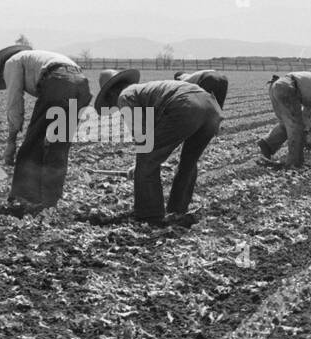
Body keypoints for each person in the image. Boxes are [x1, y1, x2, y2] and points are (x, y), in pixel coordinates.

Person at [89, 69, 224, 227]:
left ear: (112, 94)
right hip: (212, 109)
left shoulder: (124, 96)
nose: (115, 108)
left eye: (110, 103)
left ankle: (150, 216)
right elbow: (158, 132)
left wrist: (142, 165)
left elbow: (143, 137)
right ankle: (177, 212)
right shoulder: (145, 90)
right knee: (188, 162)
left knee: (146, 163)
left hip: (186, 106)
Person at [0, 44, 92, 215]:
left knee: (32, 145)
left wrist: (11, 143)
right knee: (58, 146)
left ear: (2, 72)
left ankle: (22, 200)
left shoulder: (12, 63)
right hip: (81, 84)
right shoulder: (36, 58)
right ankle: (50, 201)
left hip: (58, 82)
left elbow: (14, 102)